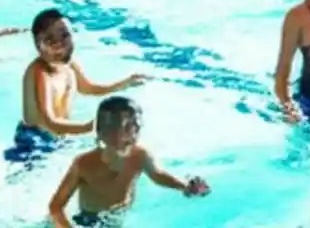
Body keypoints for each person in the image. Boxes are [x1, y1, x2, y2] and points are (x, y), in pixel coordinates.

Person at [10, 9, 147, 165]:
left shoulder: (69, 66)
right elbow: (49, 121)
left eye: (64, 35)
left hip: (56, 137)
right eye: (50, 40)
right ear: (38, 46)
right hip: (33, 141)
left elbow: (89, 88)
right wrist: (89, 127)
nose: (59, 43)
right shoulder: (41, 73)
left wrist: (124, 84)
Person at [48, 97, 209, 227]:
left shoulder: (140, 155)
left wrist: (184, 185)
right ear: (101, 133)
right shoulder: (83, 164)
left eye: (131, 127)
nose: (122, 135)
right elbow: (55, 207)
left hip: (116, 219)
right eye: (116, 127)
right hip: (87, 222)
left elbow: (158, 175)